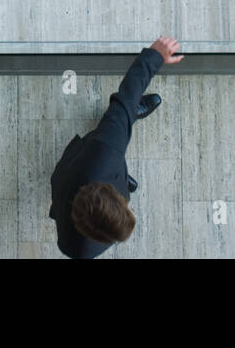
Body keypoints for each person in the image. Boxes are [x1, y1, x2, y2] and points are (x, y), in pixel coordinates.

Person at [47, 36, 184, 258]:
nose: (128, 207)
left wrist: (156, 55)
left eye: (124, 206)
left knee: (119, 120)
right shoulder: (81, 249)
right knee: (115, 135)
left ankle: (128, 122)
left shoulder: (106, 150)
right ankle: (124, 168)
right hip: (85, 171)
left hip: (89, 160)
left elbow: (124, 100)